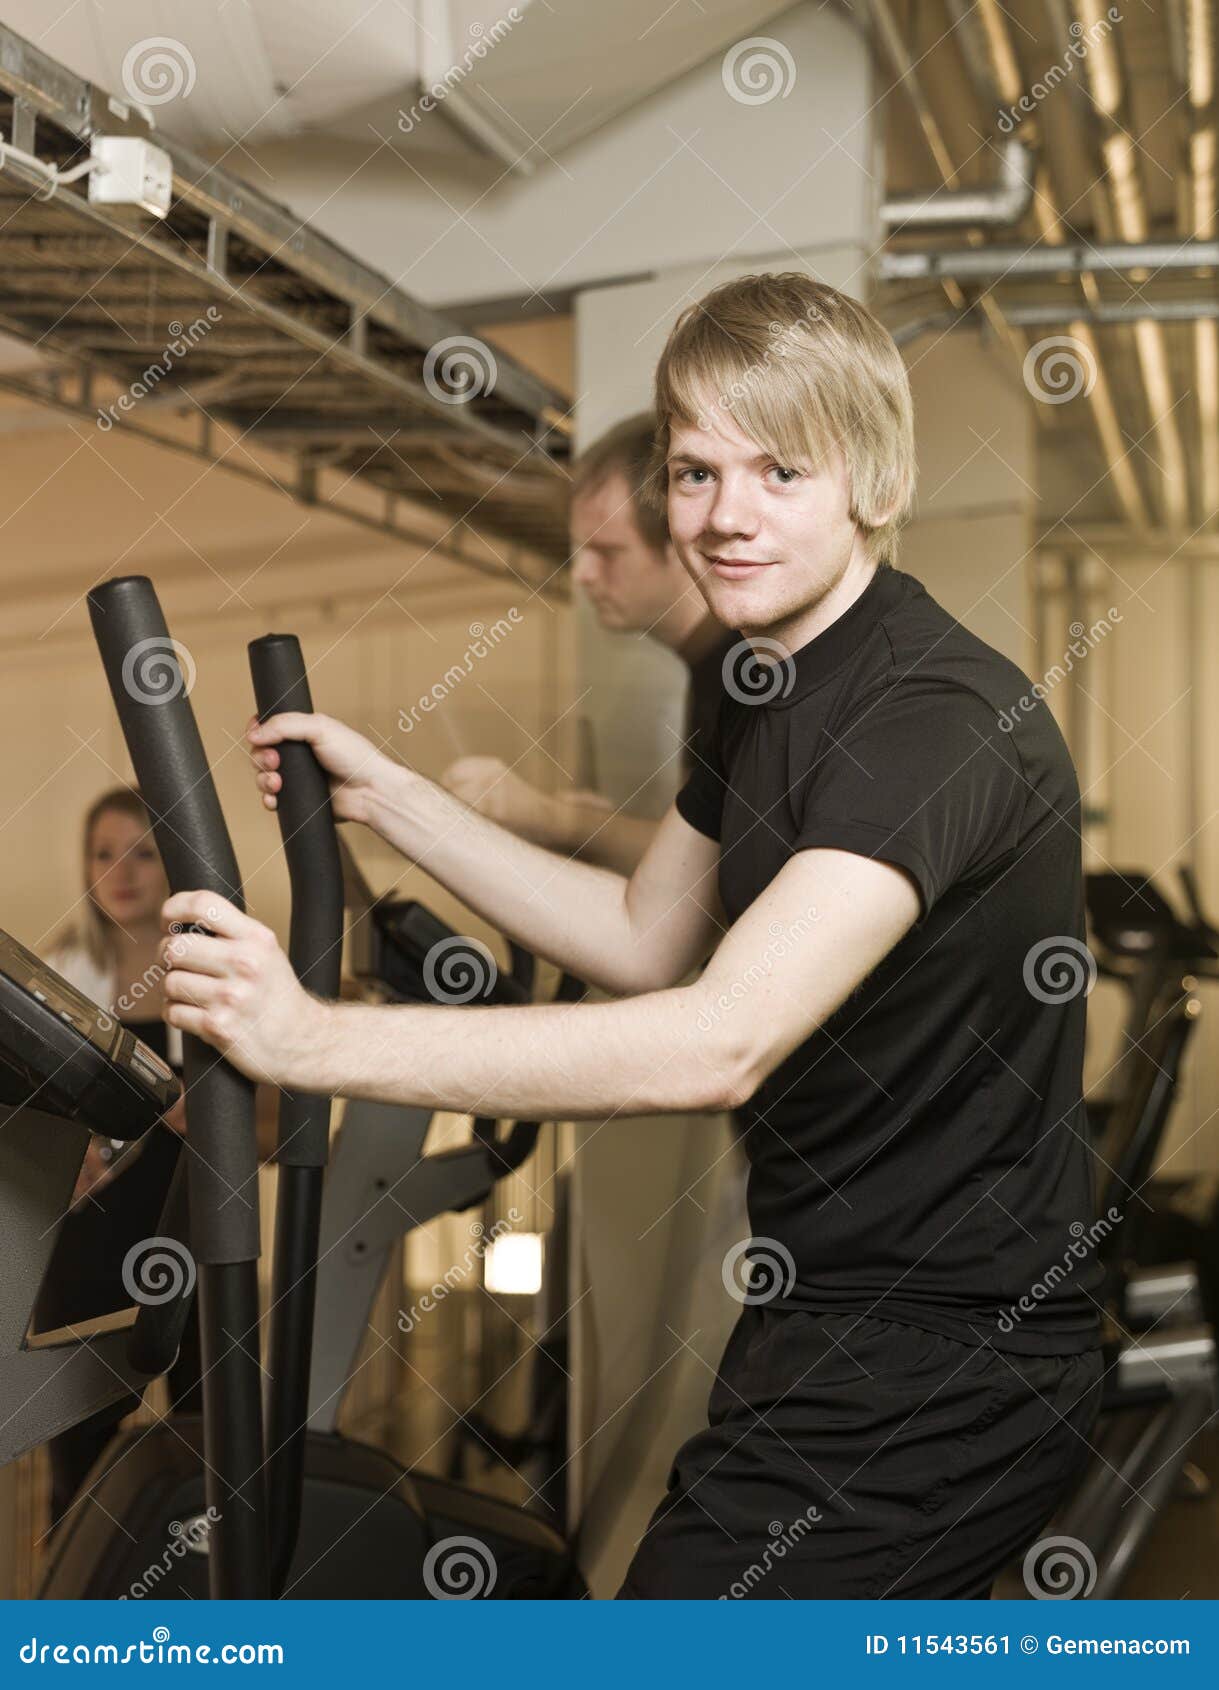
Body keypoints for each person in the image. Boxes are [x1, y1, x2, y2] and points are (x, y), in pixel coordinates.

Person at [159, 271, 1106, 1599]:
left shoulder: (924, 720)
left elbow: (714, 1040)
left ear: (873, 484)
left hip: (951, 1358)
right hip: (819, 1318)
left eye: (779, 470)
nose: (724, 516)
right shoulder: (754, 678)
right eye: (693, 471)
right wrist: (395, 804)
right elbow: (645, 934)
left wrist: (312, 1038)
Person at [442, 413, 736, 876]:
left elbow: (712, 872)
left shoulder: (744, 673)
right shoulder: (711, 666)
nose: (582, 575)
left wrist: (554, 818)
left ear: (682, 540)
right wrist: (596, 824)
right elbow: (701, 845)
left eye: (607, 552)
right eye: (582, 551)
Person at [37, 787, 199, 1531]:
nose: (122, 871)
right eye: (105, 854)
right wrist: (57, 1159)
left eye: (143, 851)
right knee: (79, 1466)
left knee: (207, 1452)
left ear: (176, 866)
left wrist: (189, 1108)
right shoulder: (56, 979)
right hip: (88, 1246)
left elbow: (270, 1130)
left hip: (196, 1237)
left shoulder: (214, 982)